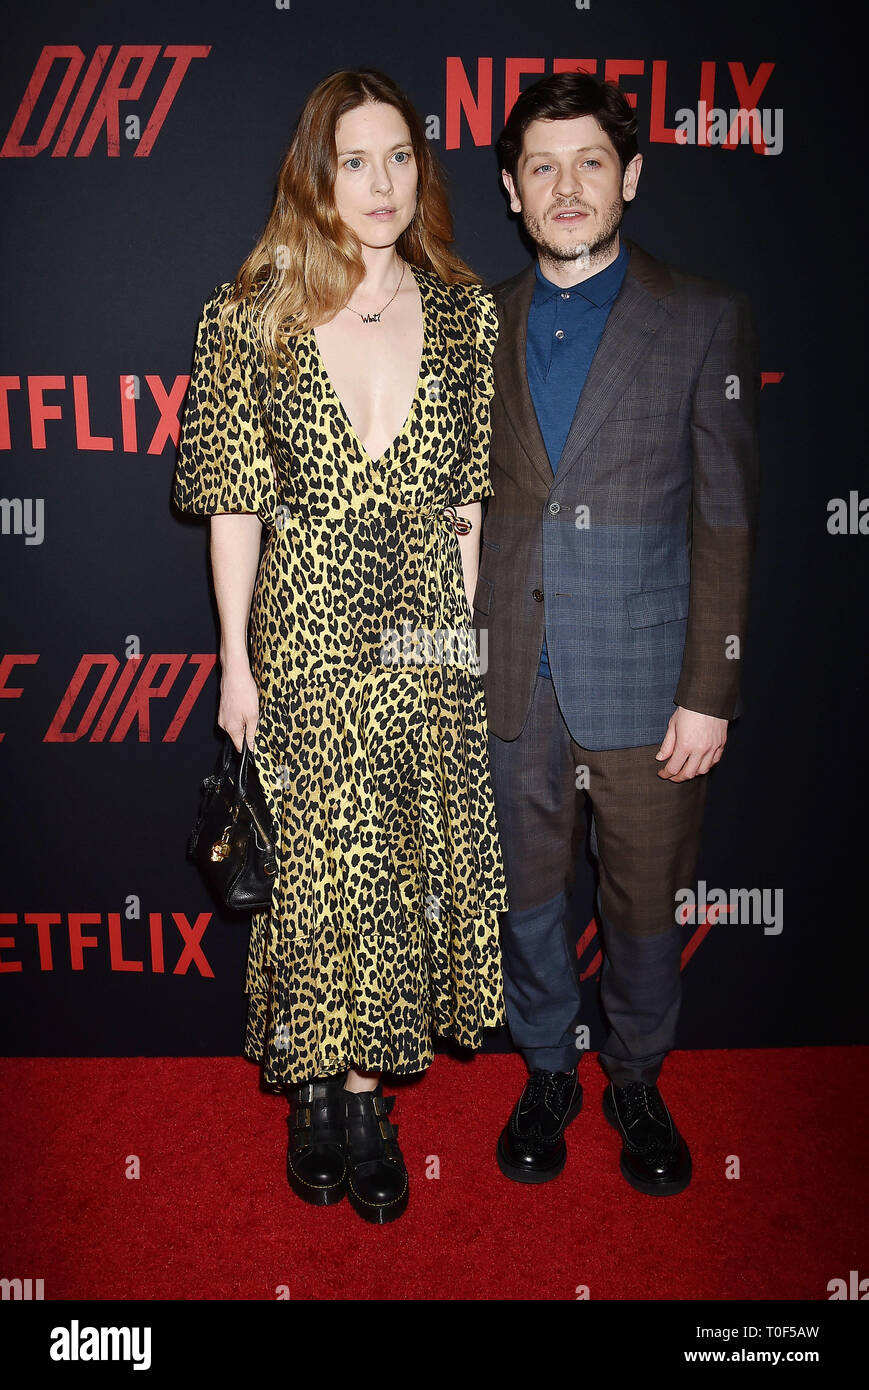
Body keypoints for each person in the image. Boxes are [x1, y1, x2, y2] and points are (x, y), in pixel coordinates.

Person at [172, 68, 507, 1224]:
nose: (380, 182)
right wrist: (234, 662)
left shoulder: (466, 315)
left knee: (396, 868)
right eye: (354, 160)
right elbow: (231, 506)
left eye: (399, 157)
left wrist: (454, 654)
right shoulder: (247, 311)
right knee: (315, 878)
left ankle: (367, 1098)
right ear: (317, 174)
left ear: (423, 170)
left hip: (419, 626)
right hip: (304, 628)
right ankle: (312, 1092)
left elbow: (467, 506)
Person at [476, 71, 759, 1194]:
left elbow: (726, 516)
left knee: (644, 899)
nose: (566, 186)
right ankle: (545, 1069)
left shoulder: (700, 315)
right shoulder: (473, 321)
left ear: (629, 175)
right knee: (529, 893)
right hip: (510, 677)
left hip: (649, 680)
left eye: (589, 161)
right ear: (509, 189)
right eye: (540, 166)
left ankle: (636, 1077)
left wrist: (711, 689)